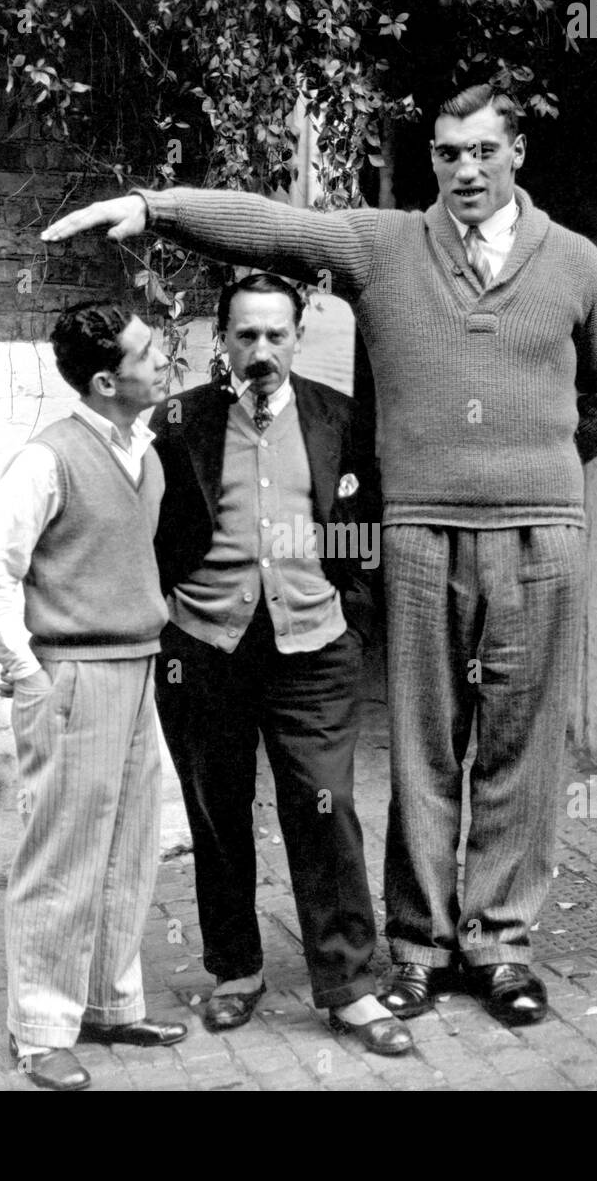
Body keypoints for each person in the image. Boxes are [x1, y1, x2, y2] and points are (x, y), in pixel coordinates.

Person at [41, 84, 597, 1027]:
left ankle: (502, 944)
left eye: (484, 150)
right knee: (421, 743)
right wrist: (158, 209)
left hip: (541, 537)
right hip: (416, 535)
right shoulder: (388, 247)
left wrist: (540, 471)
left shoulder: (575, 264)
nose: (465, 170)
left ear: (517, 151)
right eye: (448, 152)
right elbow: (276, 229)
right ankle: (418, 945)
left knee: (523, 750)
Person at [150, 272, 409, 1056]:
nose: (261, 351)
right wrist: (165, 611)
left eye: (276, 335)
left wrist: (354, 617)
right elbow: (147, 525)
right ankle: (235, 969)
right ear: (219, 340)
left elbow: (366, 528)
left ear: (298, 337)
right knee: (216, 807)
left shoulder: (341, 418)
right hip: (205, 642)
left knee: (326, 802)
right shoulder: (179, 421)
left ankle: (349, 984)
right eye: (245, 335)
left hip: (315, 644)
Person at [0, 302, 188, 1090]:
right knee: (61, 851)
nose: (163, 358)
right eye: (147, 352)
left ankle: (111, 1004)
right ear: (103, 380)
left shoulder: (146, 452)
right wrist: (25, 673)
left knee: (128, 842)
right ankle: (40, 1031)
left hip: (135, 667)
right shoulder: (49, 459)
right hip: (69, 676)